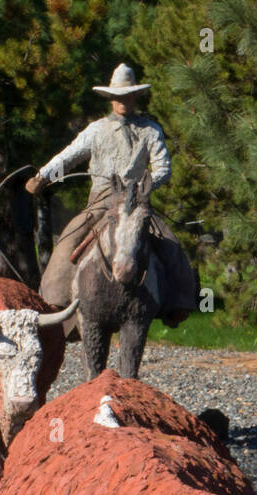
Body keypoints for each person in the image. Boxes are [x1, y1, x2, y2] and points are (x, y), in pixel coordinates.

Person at [28, 63, 198, 325]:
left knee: (169, 242)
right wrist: (43, 176)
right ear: (111, 99)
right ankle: (56, 300)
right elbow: (70, 156)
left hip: (137, 202)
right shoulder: (96, 130)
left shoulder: (151, 131)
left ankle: (178, 301)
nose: (123, 101)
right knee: (68, 241)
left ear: (135, 97)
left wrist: (143, 187)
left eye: (128, 96)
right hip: (101, 201)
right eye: (118, 96)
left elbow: (163, 167)